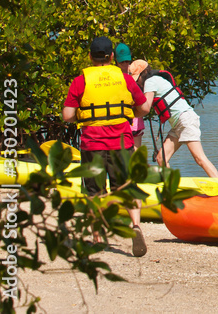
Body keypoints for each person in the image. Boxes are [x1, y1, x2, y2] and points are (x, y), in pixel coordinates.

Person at [62, 36, 151, 256]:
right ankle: (136, 226)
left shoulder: (81, 80)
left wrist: (83, 117)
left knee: (95, 192)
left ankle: (97, 236)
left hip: (92, 143)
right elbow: (144, 108)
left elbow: (67, 115)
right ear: (112, 57)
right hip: (122, 142)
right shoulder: (125, 79)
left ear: (90, 56)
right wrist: (131, 114)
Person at [129, 59, 218, 178]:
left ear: (143, 73)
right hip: (179, 123)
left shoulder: (150, 81)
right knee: (161, 158)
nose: (138, 83)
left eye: (137, 79)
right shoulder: (154, 80)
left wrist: (129, 114)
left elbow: (145, 108)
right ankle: (171, 187)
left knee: (200, 158)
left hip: (185, 120)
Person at [114, 43, 146, 149]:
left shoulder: (134, 76)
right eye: (122, 62)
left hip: (136, 125)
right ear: (116, 61)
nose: (125, 65)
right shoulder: (113, 78)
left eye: (127, 61)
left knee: (136, 159)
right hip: (120, 125)